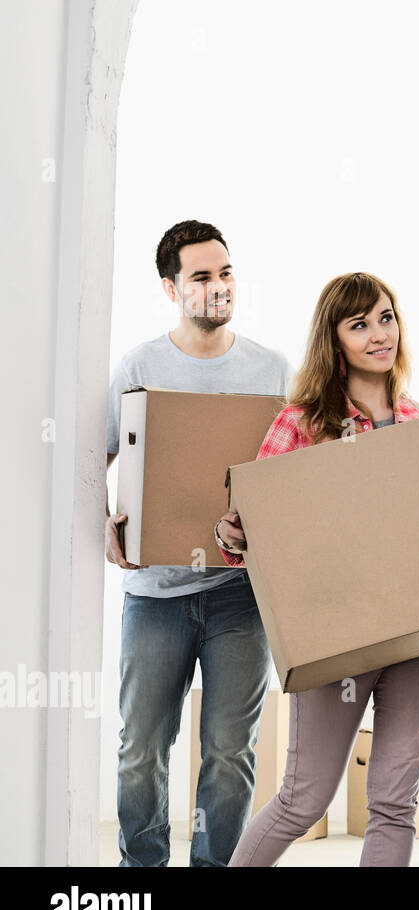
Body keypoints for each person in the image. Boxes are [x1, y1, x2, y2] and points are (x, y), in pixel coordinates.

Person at [216, 271, 419, 867]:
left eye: (386, 317)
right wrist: (232, 533)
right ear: (335, 340)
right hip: (336, 634)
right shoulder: (300, 426)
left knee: (395, 804)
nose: (379, 334)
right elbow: (247, 534)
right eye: (359, 324)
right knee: (304, 798)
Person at [105, 220, 292, 866]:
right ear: (170, 288)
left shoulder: (270, 370)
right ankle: (143, 873)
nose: (220, 287)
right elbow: (95, 458)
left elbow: (295, 477)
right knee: (140, 751)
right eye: (203, 277)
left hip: (241, 596)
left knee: (230, 755)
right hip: (155, 593)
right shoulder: (138, 367)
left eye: (227, 272)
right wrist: (107, 518)